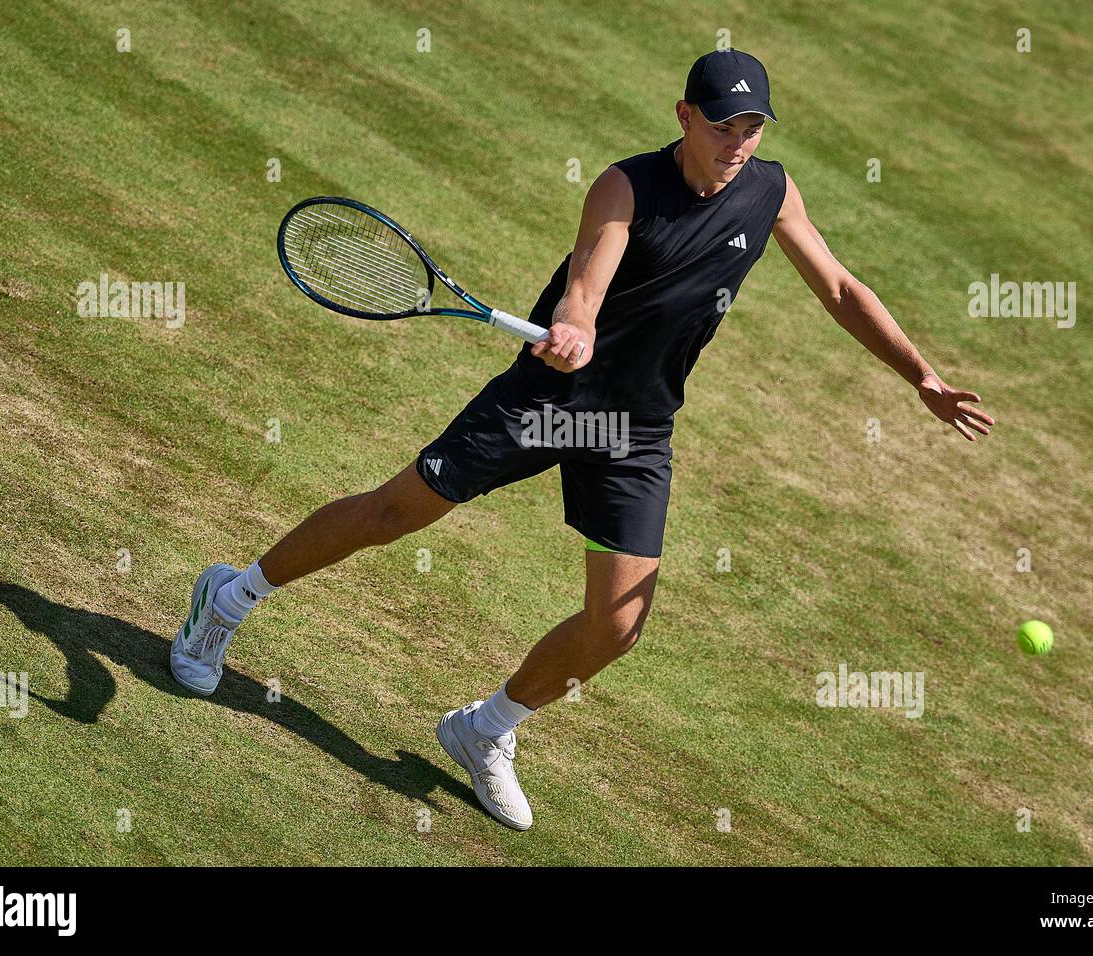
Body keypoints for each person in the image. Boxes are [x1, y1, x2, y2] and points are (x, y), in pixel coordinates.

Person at [170, 49, 995, 831]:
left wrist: (918, 375)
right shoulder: (623, 186)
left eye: (752, 129)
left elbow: (842, 287)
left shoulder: (771, 192)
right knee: (394, 514)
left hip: (636, 427)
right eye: (722, 126)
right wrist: (574, 326)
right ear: (684, 116)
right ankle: (228, 598)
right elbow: (587, 281)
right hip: (551, 399)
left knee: (618, 625)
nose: (738, 143)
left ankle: (485, 727)